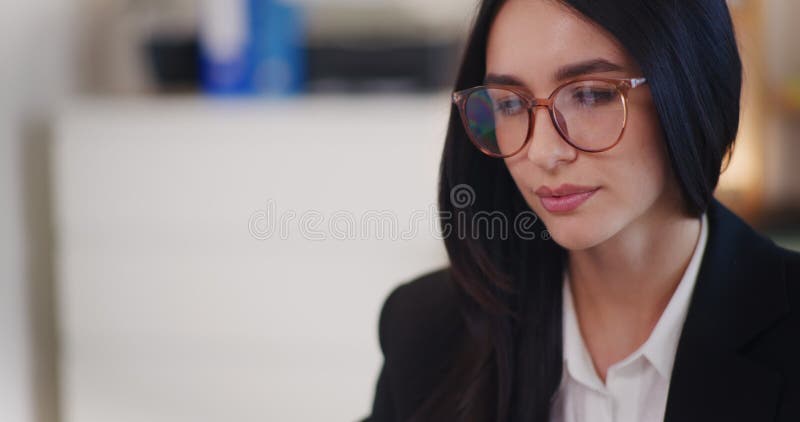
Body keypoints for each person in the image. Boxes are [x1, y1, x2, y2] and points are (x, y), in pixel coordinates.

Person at [363, 1, 800, 421]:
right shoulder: (428, 330)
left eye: (591, 95)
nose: (543, 152)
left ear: (689, 83)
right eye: (510, 103)